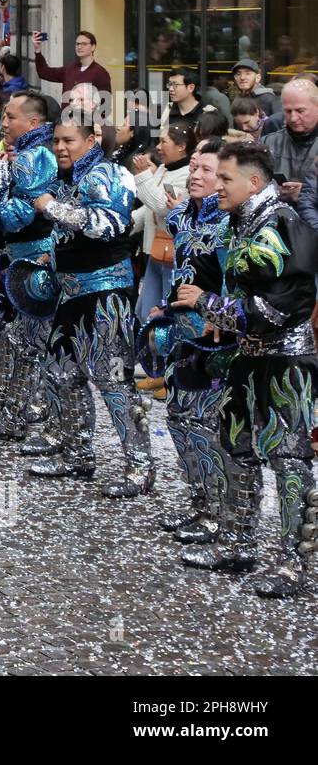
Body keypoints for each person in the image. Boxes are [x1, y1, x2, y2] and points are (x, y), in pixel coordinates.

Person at [173, 142, 318, 597]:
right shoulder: (243, 221)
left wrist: (209, 306)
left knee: (288, 459)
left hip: (285, 362)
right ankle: (238, 542)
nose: (216, 185)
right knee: (236, 447)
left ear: (253, 182)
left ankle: (294, 563)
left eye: (226, 178)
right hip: (247, 357)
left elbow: (282, 308)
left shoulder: (282, 223)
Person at [28, 111, 152, 497]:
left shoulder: (107, 174)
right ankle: (78, 452)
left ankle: (140, 467)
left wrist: (52, 208)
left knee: (115, 382)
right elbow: (65, 233)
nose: (61, 148)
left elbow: (109, 225)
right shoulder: (66, 178)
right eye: (57, 141)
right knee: (62, 373)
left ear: (90, 139)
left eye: (69, 140)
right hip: (70, 292)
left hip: (106, 292)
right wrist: (50, 252)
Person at [142, 137, 230, 546]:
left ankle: (220, 512)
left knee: (207, 425)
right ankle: (199, 503)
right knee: (178, 418)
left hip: (215, 340)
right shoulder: (181, 218)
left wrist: (220, 312)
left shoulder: (229, 224)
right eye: (194, 168)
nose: (195, 175)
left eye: (206, 171)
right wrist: (164, 306)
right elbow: (182, 271)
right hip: (182, 332)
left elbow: (235, 281)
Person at [0, 91, 58, 434]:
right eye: (3, 117)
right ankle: (8, 397)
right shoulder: (22, 155)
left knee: (28, 340)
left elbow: (18, 216)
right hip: (13, 254)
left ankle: (25, 410)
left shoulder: (34, 157)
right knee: (0, 324)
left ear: (33, 122)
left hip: (32, 258)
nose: (3, 123)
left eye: (10, 118)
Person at [131, 121, 195, 332]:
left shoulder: (186, 175)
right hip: (155, 250)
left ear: (181, 146)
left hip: (173, 256)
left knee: (164, 312)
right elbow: (149, 209)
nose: (158, 147)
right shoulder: (164, 170)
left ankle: (166, 358)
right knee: (144, 310)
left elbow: (162, 206)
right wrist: (127, 223)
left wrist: (142, 175)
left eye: (163, 142)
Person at [262, 79, 318, 202]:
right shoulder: (267, 143)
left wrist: (309, 196)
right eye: (288, 111)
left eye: (300, 111)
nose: (293, 118)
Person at [32, 30, 112, 97]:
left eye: (84, 44)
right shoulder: (69, 69)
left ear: (93, 47)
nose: (79, 47)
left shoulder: (100, 73)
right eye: (77, 44)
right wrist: (37, 50)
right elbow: (44, 72)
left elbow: (105, 104)